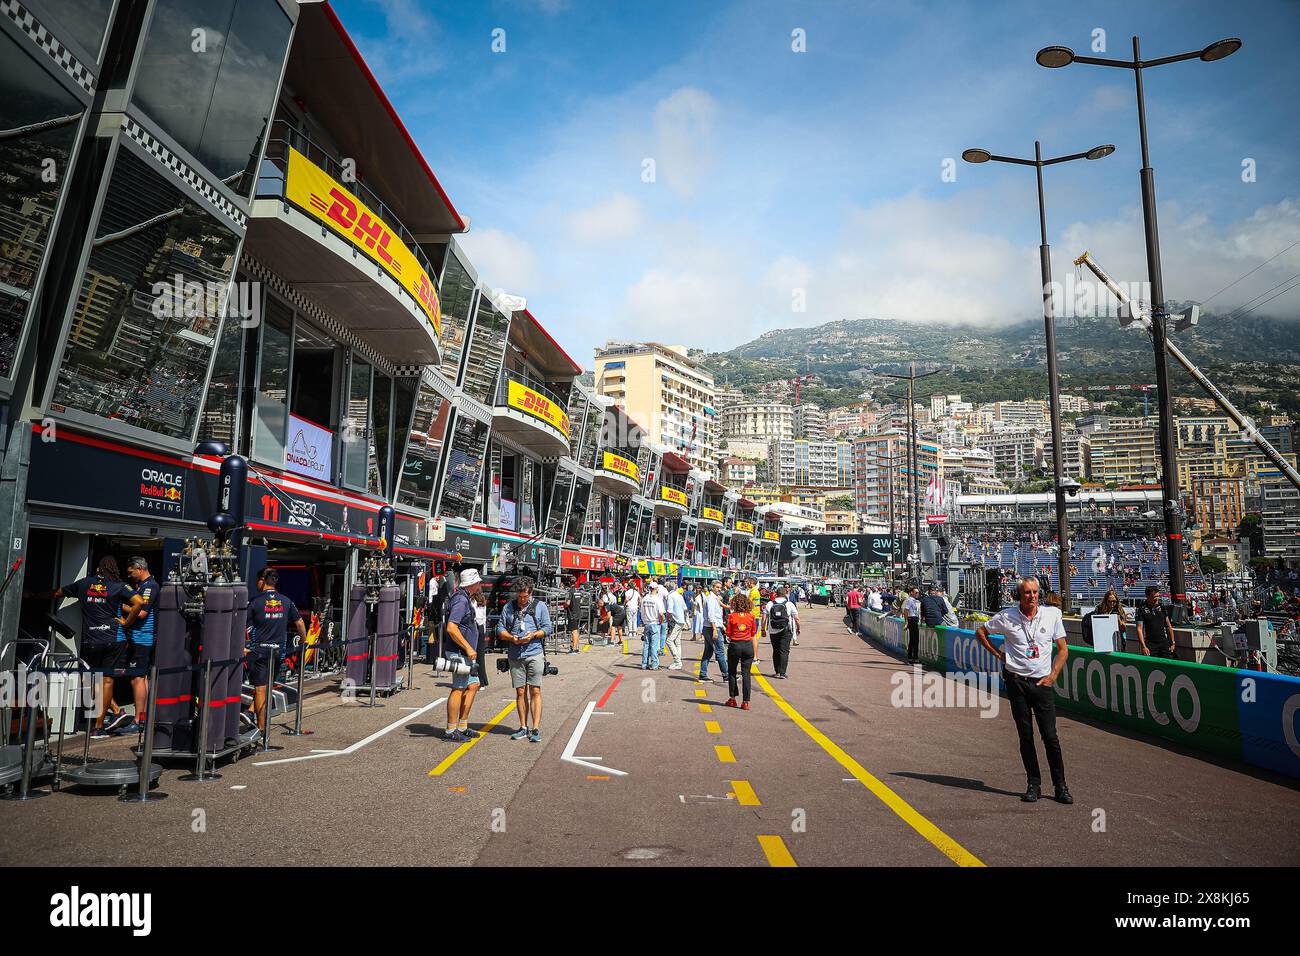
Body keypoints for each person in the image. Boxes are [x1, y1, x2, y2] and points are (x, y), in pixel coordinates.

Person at [975, 577, 1071, 804]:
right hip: (1016, 682)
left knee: (1050, 737)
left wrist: (1053, 675)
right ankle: (1033, 784)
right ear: (1019, 595)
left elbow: (1063, 649)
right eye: (1027, 592)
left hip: (1042, 684)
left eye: (1035, 592)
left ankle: (1061, 786)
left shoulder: (1052, 615)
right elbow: (981, 632)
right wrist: (998, 654)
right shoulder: (1006, 616)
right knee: (1025, 736)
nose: (1032, 596)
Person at [52, 557, 134, 738]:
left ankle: (111, 714)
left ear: (98, 568)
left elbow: (58, 592)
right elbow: (139, 602)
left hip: (92, 640)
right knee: (106, 681)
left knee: (88, 679)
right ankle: (100, 725)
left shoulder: (84, 583)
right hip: (114, 638)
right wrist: (128, 621)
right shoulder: (117, 586)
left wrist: (38, 596)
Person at [245, 567, 307, 734]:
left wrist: (245, 645)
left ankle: (261, 729)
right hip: (279, 652)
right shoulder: (286, 601)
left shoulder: (254, 602)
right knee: (269, 685)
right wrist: (303, 641)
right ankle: (250, 712)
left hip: (259, 651)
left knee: (260, 688)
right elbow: (300, 623)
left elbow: (244, 627)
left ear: (262, 581)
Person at [107, 557, 160, 736]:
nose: (129, 576)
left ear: (139, 568)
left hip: (142, 638)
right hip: (139, 637)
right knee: (140, 678)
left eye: (131, 572)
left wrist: (120, 605)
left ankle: (138, 720)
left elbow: (142, 612)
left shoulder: (149, 586)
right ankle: (142, 718)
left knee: (137, 678)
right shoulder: (143, 586)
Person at [499, 576, 552, 743]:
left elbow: (548, 627)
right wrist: (511, 638)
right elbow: (500, 627)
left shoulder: (540, 606)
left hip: (535, 653)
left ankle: (535, 729)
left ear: (531, 593)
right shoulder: (509, 607)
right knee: (520, 692)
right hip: (515, 655)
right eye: (519, 596)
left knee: (535, 690)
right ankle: (523, 727)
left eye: (525, 596)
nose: (522, 600)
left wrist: (534, 635)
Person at [442, 569, 483, 742]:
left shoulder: (463, 598)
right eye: (478, 582)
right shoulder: (461, 600)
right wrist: (468, 647)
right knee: (458, 688)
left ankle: (462, 726)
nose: (480, 585)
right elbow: (452, 627)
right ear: (472, 584)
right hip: (459, 652)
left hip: (463, 652)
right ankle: (451, 730)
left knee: (473, 685)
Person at [724, 593, 759, 709]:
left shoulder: (731, 616)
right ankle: (745, 702)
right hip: (747, 646)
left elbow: (728, 633)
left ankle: (733, 698)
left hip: (735, 645)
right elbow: (753, 633)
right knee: (746, 674)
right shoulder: (751, 617)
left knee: (732, 672)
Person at [763, 585, 800, 679]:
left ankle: (777, 672)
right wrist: (798, 628)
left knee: (776, 650)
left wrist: (763, 629)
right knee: (784, 651)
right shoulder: (789, 604)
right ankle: (782, 673)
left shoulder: (770, 603)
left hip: (773, 630)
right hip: (786, 630)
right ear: (785, 594)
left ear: (776, 594)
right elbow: (796, 618)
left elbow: (764, 618)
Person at [699, 580, 728, 683]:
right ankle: (726, 675)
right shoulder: (711, 599)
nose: (719, 589)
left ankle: (703, 674)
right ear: (712, 587)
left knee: (708, 652)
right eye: (717, 587)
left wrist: (722, 626)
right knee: (720, 651)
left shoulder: (714, 598)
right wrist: (715, 629)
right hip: (711, 628)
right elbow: (711, 615)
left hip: (709, 627)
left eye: (720, 587)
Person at [1136, 586, 1176, 658]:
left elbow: (1168, 626)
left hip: (1163, 642)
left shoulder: (1162, 607)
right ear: (1147, 596)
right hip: (1150, 644)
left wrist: (1172, 642)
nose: (1157, 599)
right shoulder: (1141, 609)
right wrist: (1143, 646)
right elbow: (1139, 629)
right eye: (1154, 597)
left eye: (1158, 596)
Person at [639, 580, 665, 670]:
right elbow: (661, 614)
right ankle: (654, 664)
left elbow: (641, 612)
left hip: (647, 623)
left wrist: (643, 621)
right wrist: (661, 622)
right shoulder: (658, 599)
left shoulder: (644, 599)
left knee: (646, 644)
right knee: (654, 645)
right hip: (655, 623)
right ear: (656, 589)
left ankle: (644, 663)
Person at [665, 581, 687, 670]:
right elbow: (685, 608)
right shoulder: (679, 595)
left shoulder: (670, 596)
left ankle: (677, 661)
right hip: (681, 620)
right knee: (677, 641)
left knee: (669, 640)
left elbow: (669, 611)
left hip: (676, 621)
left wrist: (668, 619)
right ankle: (678, 661)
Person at [563, 575, 582, 653]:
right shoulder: (578, 591)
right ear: (576, 582)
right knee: (576, 631)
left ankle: (574, 648)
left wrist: (564, 605)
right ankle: (576, 647)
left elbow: (568, 603)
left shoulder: (570, 591)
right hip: (578, 612)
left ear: (569, 582)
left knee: (573, 631)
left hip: (572, 614)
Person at [903, 586, 921, 664]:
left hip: (914, 619)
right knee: (915, 639)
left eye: (918, 592)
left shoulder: (914, 601)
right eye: (916, 592)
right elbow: (906, 610)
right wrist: (906, 621)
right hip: (912, 619)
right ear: (911, 593)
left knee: (912, 639)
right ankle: (914, 658)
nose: (917, 594)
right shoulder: (910, 600)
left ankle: (911, 657)